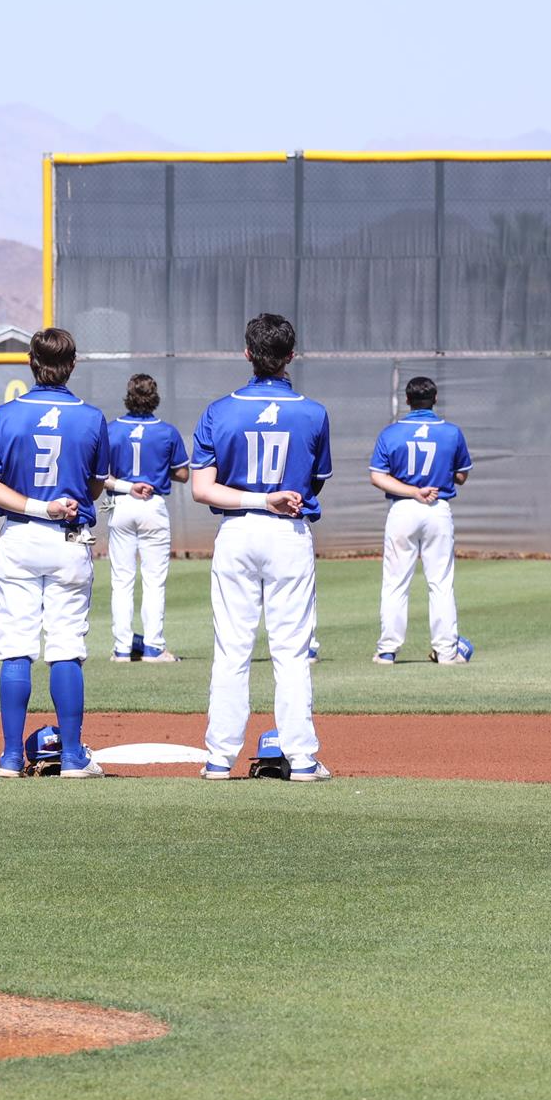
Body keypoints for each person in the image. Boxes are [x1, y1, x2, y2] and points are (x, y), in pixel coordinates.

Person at [189, 312, 333, 782]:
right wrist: (274, 498)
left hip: (237, 532)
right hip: (287, 532)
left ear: (247, 353)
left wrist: (254, 498)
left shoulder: (219, 410)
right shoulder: (313, 411)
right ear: (291, 356)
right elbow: (314, 483)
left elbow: (202, 489)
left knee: (232, 650)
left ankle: (218, 758)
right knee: (291, 652)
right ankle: (303, 759)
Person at [0, 327, 111, 778]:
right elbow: (94, 484)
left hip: (20, 534)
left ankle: (11, 756)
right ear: (71, 364)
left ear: (31, 362)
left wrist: (35, 505)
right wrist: (58, 502)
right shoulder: (91, 417)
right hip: (69, 536)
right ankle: (71, 756)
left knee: (16, 647)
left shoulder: (6, 415)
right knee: (66, 646)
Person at [369, 376, 473, 664]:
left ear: (407, 401)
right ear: (435, 399)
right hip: (437, 508)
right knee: (440, 582)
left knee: (395, 582)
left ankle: (388, 650)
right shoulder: (451, 433)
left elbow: (378, 477)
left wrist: (413, 490)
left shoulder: (391, 433)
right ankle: (446, 651)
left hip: (403, 509)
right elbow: (462, 476)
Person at [102, 373, 190, 664]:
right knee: (153, 581)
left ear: (128, 397)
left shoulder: (112, 430)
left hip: (122, 503)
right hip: (152, 505)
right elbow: (183, 473)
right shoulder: (166, 431)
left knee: (122, 580)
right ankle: (153, 647)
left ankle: (122, 648)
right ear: (155, 398)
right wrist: (159, 469)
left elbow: (102, 476)